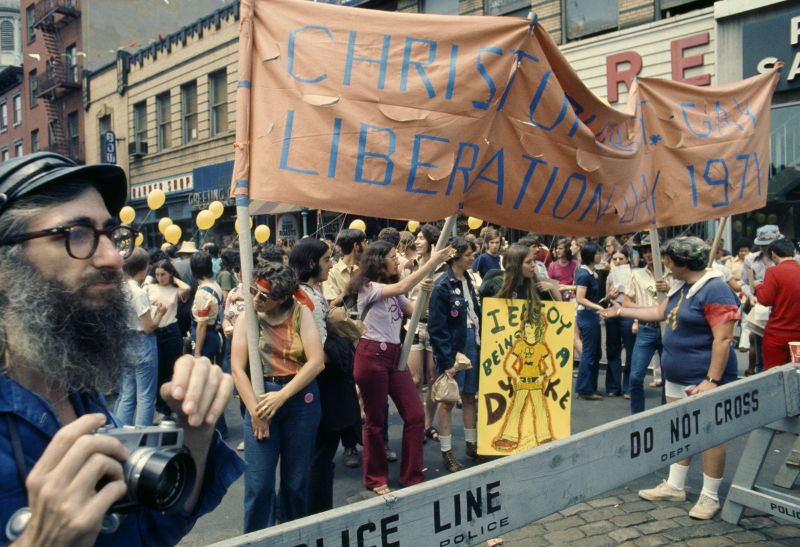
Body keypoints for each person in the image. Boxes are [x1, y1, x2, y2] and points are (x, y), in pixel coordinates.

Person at [0, 152, 243, 546]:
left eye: (111, 235)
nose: (114, 257)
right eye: (76, 234)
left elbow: (148, 532)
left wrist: (194, 430)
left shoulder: (79, 389)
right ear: (5, 266)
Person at [601, 237, 740, 520]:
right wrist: (620, 311)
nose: (665, 265)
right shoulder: (683, 287)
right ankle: (676, 485)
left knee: (709, 433)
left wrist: (712, 380)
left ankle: (709, 495)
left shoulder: (715, 290)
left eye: (669, 260)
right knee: (681, 428)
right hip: (677, 376)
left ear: (683, 263)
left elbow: (723, 339)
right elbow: (659, 312)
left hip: (702, 377)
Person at [347, 240, 450, 495]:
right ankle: (375, 477)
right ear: (378, 261)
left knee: (415, 415)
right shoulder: (368, 288)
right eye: (393, 256)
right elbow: (404, 285)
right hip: (372, 355)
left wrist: (427, 291)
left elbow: (417, 312)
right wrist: (432, 263)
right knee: (375, 421)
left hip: (396, 356)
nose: (398, 261)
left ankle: (411, 474)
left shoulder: (393, 290)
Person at [230, 261, 325, 531]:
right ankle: (256, 539)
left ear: (282, 298)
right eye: (253, 291)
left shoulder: (300, 312)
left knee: (296, 483)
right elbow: (237, 367)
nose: (256, 299)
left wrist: (281, 396)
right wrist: (254, 411)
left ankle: (293, 535)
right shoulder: (248, 315)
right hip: (260, 400)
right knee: (258, 486)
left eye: (264, 296)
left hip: (299, 399)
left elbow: (316, 362)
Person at [290, 239, 360, 513]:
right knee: (319, 457)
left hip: (318, 383)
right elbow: (314, 352)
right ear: (311, 263)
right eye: (327, 259)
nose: (331, 264)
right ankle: (317, 515)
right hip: (320, 385)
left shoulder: (308, 292)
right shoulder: (306, 298)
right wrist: (341, 350)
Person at [427, 237, 482, 472]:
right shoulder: (442, 285)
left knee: (470, 395)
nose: (472, 257)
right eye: (469, 254)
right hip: (455, 348)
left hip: (472, 342)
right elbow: (437, 328)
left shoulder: (468, 280)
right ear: (456, 255)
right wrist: (447, 360)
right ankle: (447, 451)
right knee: (448, 400)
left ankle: (471, 443)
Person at [322, 227, 366, 468]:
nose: (367, 247)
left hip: (369, 334)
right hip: (345, 338)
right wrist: (350, 288)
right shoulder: (332, 272)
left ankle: (377, 439)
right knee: (348, 391)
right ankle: (350, 444)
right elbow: (332, 305)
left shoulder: (369, 269)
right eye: (365, 243)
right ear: (357, 245)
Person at [115, 247, 166, 426]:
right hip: (142, 343)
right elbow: (148, 327)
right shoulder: (138, 292)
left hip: (124, 341)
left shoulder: (117, 289)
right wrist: (160, 312)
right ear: (144, 267)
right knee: (145, 396)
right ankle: (142, 439)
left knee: (127, 395)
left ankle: (121, 435)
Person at [404, 223, 442, 444]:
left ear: (432, 241)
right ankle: (418, 422)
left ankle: (428, 423)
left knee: (434, 378)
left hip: (436, 326)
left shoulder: (444, 268)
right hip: (414, 325)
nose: (417, 242)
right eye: (416, 238)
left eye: (421, 238)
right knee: (416, 379)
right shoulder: (409, 265)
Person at [146, 259, 191, 417]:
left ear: (170, 274)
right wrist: (152, 278)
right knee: (157, 369)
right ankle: (160, 406)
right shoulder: (150, 288)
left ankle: (171, 405)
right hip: (156, 331)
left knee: (172, 369)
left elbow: (187, 288)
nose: (160, 278)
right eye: (157, 274)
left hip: (172, 330)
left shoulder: (175, 289)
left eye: (163, 274)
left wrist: (173, 278)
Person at [742, 225, 782, 374]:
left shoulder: (787, 259)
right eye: (763, 246)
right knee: (760, 347)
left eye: (769, 245)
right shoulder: (751, 259)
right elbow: (744, 283)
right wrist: (751, 296)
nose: (766, 249)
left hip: (781, 308)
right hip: (760, 308)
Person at [754, 238, 800, 369]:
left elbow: (765, 300)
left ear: (773, 254)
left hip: (777, 334)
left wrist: (758, 287)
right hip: (798, 334)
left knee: (774, 376)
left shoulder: (773, 272)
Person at [574, 242, 605, 401]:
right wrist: (597, 306)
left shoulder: (592, 273)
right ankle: (584, 389)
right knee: (589, 353)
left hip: (591, 315)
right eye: (598, 253)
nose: (600, 255)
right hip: (586, 316)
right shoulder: (584, 275)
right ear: (592, 256)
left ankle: (589, 387)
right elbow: (580, 299)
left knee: (595, 352)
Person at [604, 247, 635, 398]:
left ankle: (629, 386)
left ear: (627, 259)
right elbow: (605, 297)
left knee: (631, 350)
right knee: (612, 349)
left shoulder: (633, 275)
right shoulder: (610, 276)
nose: (617, 261)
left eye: (621, 258)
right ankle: (613, 386)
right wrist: (609, 296)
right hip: (613, 312)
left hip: (627, 312)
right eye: (615, 259)